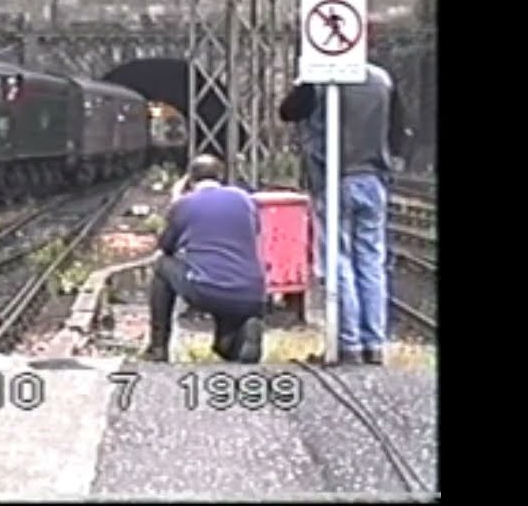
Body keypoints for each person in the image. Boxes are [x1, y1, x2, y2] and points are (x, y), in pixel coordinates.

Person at [279, 62, 408, 365]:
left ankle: (347, 343)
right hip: (373, 179)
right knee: (372, 262)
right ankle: (374, 344)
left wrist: (304, 78)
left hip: (333, 179)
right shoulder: (383, 79)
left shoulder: (320, 78)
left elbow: (288, 111)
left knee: (338, 261)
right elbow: (399, 130)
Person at [144, 154, 266, 364]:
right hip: (251, 291)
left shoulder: (184, 204)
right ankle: (239, 333)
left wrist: (175, 202)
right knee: (227, 345)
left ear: (190, 180)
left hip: (206, 289)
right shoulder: (244, 199)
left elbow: (166, 247)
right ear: (222, 177)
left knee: (162, 266)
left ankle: (158, 348)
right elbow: (255, 231)